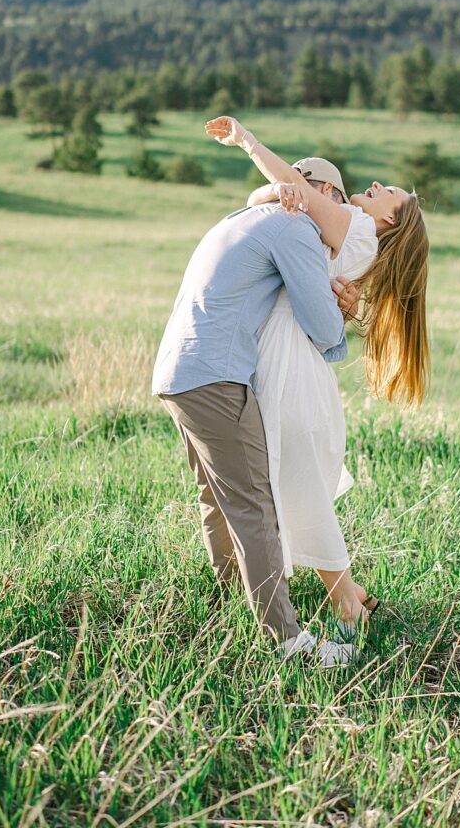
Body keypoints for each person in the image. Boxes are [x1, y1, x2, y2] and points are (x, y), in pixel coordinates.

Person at [206, 115, 430, 637]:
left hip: (290, 374)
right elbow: (290, 202)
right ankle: (349, 595)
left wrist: (249, 142)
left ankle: (345, 609)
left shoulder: (354, 230)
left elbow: (295, 190)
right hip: (295, 369)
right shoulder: (352, 244)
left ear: (389, 221)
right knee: (294, 488)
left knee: (296, 490)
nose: (373, 187)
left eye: (385, 193)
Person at [152, 184, 358, 666]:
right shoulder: (296, 226)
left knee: (219, 499)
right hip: (217, 376)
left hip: (175, 372)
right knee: (253, 506)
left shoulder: (239, 220)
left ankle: (227, 609)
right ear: (322, 192)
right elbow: (325, 330)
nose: (340, 216)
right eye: (340, 199)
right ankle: (288, 643)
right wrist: (340, 312)